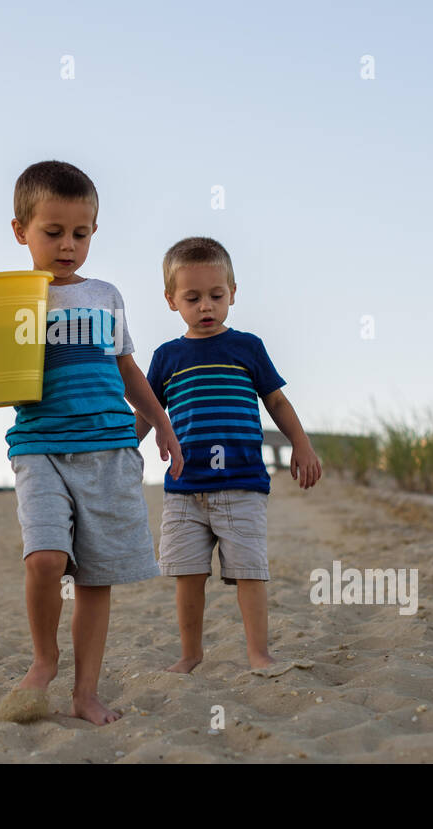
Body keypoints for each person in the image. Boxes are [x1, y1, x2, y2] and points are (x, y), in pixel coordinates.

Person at [0, 160, 183, 724]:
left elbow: (128, 370)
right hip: (39, 447)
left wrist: (162, 424)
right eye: (54, 232)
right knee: (46, 559)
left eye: (82, 233)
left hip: (110, 449)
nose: (68, 245)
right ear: (21, 230)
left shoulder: (105, 294)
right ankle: (44, 661)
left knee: (97, 579)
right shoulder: (7, 300)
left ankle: (85, 693)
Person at [136, 236, 322, 674]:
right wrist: (124, 449)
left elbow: (276, 402)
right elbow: (148, 409)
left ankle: (259, 653)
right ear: (171, 301)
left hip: (242, 485)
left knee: (251, 572)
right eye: (192, 298)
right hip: (184, 489)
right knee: (187, 575)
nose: (206, 307)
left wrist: (302, 443)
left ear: (232, 294)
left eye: (216, 296)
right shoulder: (168, 356)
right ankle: (190, 655)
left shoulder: (247, 347)